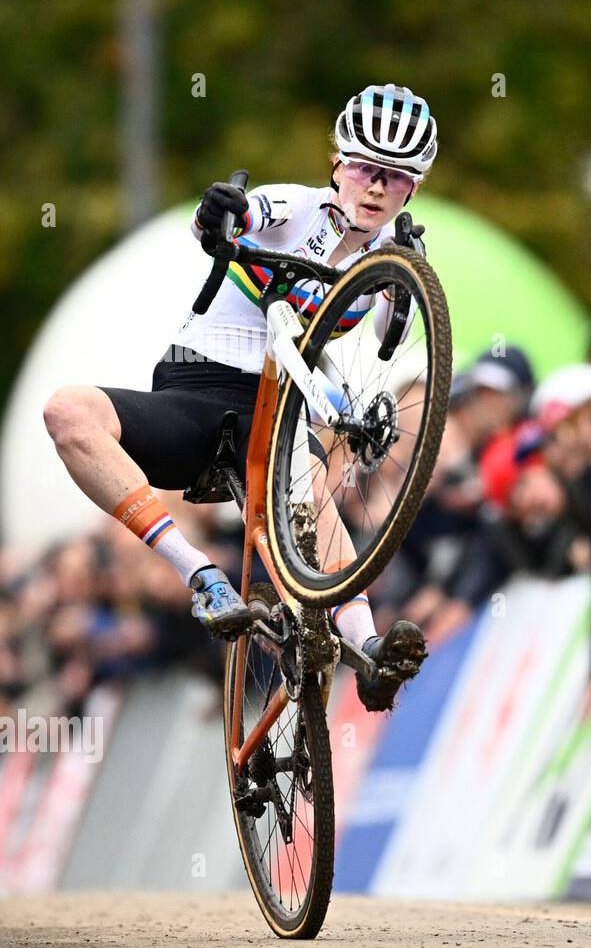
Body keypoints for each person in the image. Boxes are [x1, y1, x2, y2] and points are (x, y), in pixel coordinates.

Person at [42, 83, 436, 710]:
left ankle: (369, 651)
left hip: (278, 416)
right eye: (365, 167)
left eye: (397, 177)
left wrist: (405, 283)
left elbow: (392, 342)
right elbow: (240, 213)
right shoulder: (298, 205)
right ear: (338, 163)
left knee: (307, 482)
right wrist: (218, 211)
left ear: (413, 189)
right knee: (67, 411)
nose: (377, 186)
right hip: (198, 393)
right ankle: (197, 572)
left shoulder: (389, 259)